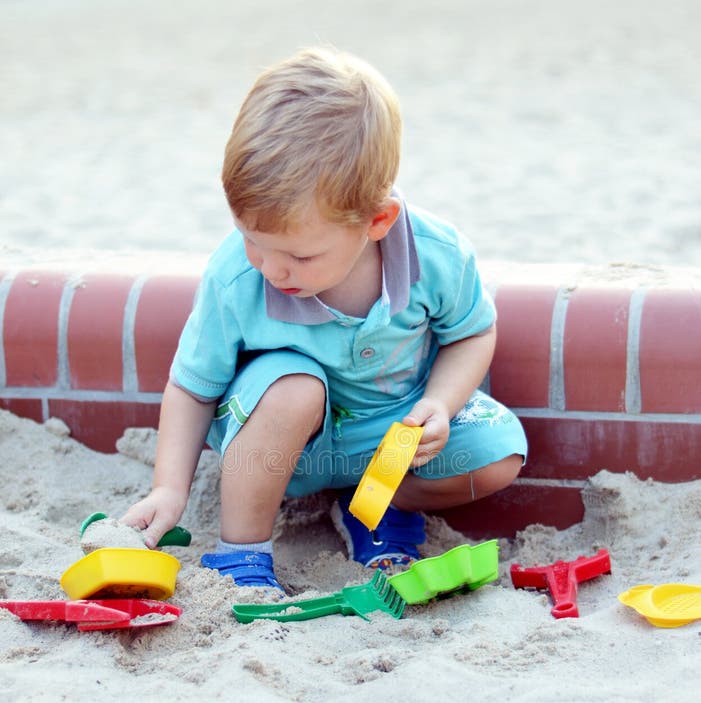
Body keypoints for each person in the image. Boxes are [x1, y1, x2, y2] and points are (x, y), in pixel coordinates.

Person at [122, 46, 527, 595]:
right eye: (253, 240)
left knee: (497, 454)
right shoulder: (236, 278)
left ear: (377, 220)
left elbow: (471, 333)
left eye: (301, 256)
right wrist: (169, 489)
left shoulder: (437, 255)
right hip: (276, 454)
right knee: (294, 387)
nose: (271, 266)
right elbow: (192, 387)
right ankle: (242, 553)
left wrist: (441, 403)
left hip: (388, 446)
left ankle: (371, 507)